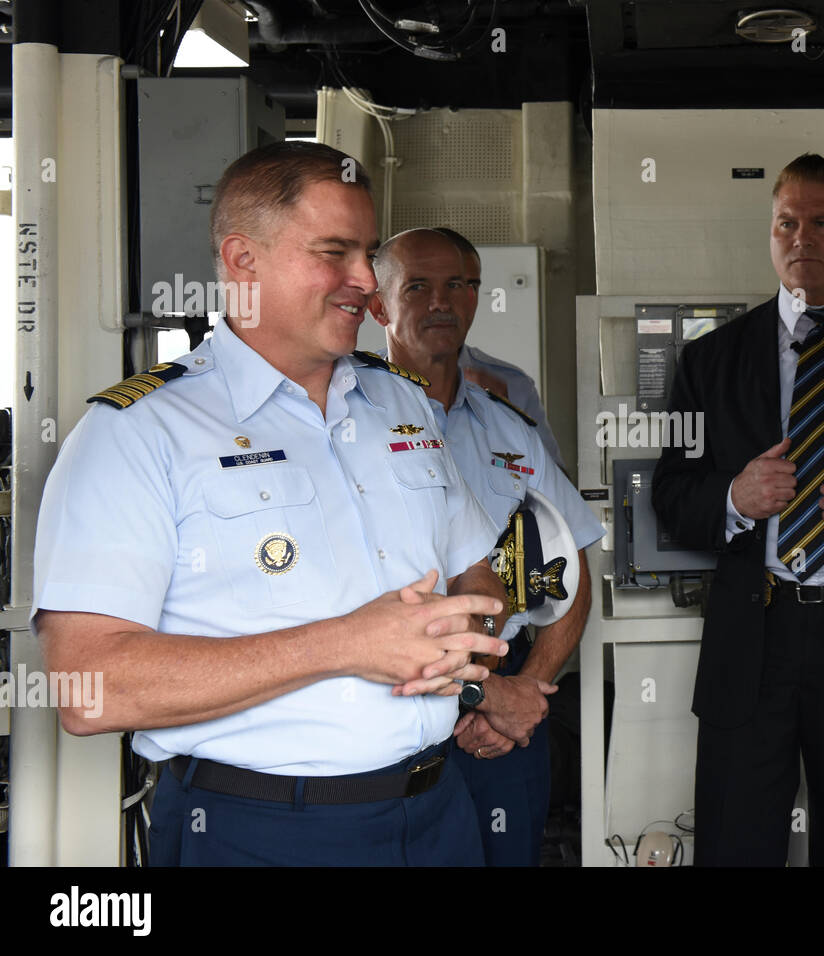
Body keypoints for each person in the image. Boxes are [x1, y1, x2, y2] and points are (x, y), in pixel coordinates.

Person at [32, 142, 511, 866]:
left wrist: (460, 639)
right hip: (258, 832)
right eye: (335, 252)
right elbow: (89, 689)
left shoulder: (400, 405)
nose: (366, 282)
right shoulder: (138, 433)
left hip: (439, 814)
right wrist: (346, 643)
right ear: (242, 261)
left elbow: (479, 577)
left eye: (370, 253)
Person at [652, 154, 824, 866]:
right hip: (753, 638)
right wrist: (733, 499)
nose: (800, 237)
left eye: (821, 221)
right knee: (735, 845)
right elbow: (670, 500)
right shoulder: (710, 360)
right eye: (786, 223)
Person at [370, 227, 604, 865]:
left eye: (459, 285)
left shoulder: (512, 426)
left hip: (507, 697)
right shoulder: (345, 421)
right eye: (417, 286)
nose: (440, 301)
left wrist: (527, 691)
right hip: (389, 699)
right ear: (377, 305)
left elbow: (573, 562)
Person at [429, 227, 567, 469]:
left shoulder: (512, 385)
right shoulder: (360, 383)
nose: (446, 303)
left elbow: (557, 496)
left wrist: (505, 425)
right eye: (421, 286)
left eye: (469, 286)